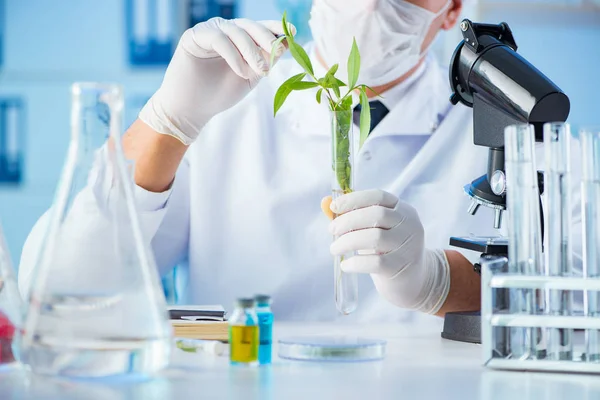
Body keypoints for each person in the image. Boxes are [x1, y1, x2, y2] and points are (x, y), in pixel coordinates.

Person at [19, 0, 496, 323]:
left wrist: (437, 282)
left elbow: (562, 307)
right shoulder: (223, 107)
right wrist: (167, 122)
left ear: (453, 8)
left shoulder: (501, 134)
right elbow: (56, 291)